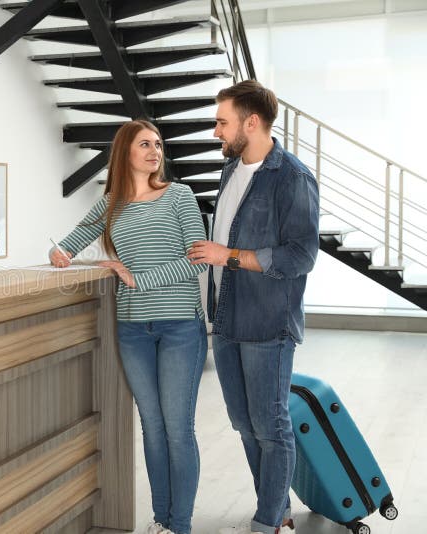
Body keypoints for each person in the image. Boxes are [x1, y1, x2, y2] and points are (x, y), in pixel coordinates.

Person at [51, 120, 208, 534]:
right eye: (145, 144)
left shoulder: (179, 195)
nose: (155, 151)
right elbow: (74, 239)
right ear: (126, 152)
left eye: (158, 144)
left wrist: (139, 279)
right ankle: (161, 521)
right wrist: (60, 252)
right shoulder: (111, 204)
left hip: (180, 325)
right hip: (133, 328)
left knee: (178, 429)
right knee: (152, 427)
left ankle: (180, 526)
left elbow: (198, 258)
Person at [187, 80, 319, 534]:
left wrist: (229, 257)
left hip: (267, 322)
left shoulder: (292, 178)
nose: (215, 131)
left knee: (270, 427)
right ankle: (277, 511)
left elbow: (301, 255)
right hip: (225, 318)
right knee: (244, 424)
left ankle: (268, 522)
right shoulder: (230, 171)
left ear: (252, 123)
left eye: (221, 122)